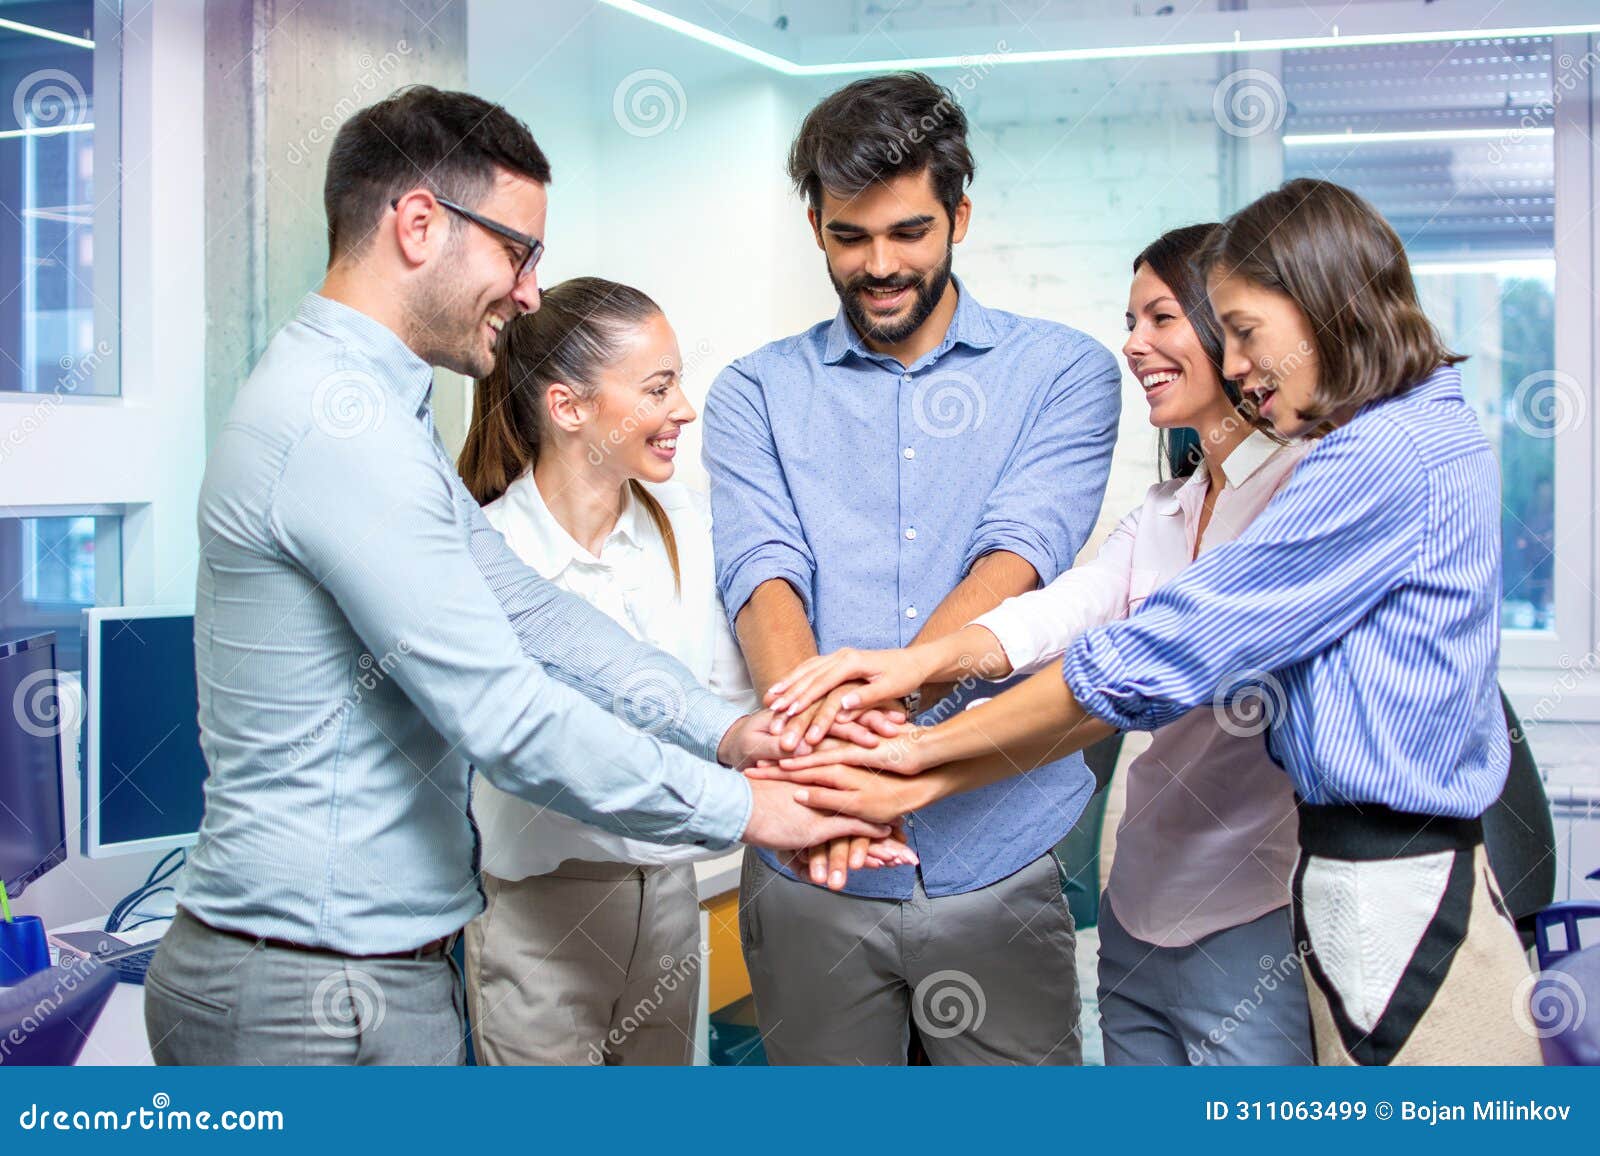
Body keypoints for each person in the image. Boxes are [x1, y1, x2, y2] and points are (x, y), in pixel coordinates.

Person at [144, 86, 904, 1068]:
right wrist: (755, 807)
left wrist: (729, 730)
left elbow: (531, 612)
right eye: (516, 249)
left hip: (366, 971)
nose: (531, 290)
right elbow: (504, 715)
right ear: (418, 225)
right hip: (304, 991)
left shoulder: (373, 408)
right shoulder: (337, 423)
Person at [758, 178, 1544, 1067]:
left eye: (1237, 330)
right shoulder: (1210, 493)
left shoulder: (1372, 458)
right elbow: (1070, 610)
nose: (1235, 361)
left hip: (1370, 883)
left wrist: (912, 764)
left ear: (1324, 304)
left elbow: (1158, 656)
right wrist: (912, 671)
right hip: (1246, 889)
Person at [769, 223, 1316, 1065]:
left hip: (1246, 910)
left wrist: (907, 762)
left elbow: (1128, 674)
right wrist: (912, 667)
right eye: (1131, 320)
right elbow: (1052, 614)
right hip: (1137, 908)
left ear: (1233, 330)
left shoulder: (1304, 499)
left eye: (1162, 319)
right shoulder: (1167, 509)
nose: (1133, 346)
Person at [704, 72, 1121, 1065]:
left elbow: (1017, 560)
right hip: (813, 864)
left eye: (908, 232)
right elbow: (765, 584)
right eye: (850, 237)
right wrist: (838, 774)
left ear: (959, 216)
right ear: (815, 226)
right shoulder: (751, 393)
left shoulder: (1064, 373)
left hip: (997, 855)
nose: (880, 263)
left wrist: (865, 739)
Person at [456, 277, 908, 1065]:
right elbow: (543, 754)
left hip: (669, 894)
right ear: (569, 408)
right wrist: (757, 804)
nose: (684, 410)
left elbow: (737, 707)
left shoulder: (694, 530)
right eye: (658, 387)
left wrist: (831, 777)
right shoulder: (491, 554)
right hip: (538, 910)